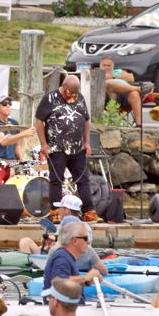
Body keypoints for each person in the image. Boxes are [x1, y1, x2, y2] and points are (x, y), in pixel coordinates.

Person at [35, 75, 100, 223]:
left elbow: (86, 120)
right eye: (70, 93)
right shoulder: (50, 99)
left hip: (77, 148)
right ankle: (56, 211)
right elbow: (39, 121)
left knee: (83, 180)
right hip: (56, 148)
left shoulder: (80, 98)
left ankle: (89, 211)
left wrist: (87, 142)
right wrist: (44, 144)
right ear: (64, 88)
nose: (73, 97)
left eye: (75, 94)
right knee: (56, 180)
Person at [41, 221, 103, 304]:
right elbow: (59, 283)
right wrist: (86, 277)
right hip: (62, 311)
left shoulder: (66, 256)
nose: (88, 242)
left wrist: (87, 282)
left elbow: (68, 282)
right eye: (85, 238)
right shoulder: (62, 258)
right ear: (74, 241)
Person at [18, 194, 82, 255]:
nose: (58, 210)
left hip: (58, 256)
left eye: (60, 208)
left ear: (67, 211)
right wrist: (49, 242)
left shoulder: (73, 226)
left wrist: (50, 245)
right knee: (25, 241)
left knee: (25, 242)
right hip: (54, 253)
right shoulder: (71, 224)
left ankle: (30, 262)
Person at [99, 56, 154, 127]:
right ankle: (139, 89)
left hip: (124, 93)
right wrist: (110, 78)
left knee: (134, 94)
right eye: (104, 65)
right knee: (108, 83)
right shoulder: (97, 74)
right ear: (100, 66)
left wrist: (113, 76)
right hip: (109, 97)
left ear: (113, 66)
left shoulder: (117, 72)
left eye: (109, 65)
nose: (107, 67)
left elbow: (131, 78)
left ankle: (139, 125)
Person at [0, 96, 36, 160]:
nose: (8, 106)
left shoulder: (14, 123)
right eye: (4, 104)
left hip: (11, 162)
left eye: (9, 104)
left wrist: (22, 160)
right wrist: (24, 134)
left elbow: (17, 145)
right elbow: (4, 141)